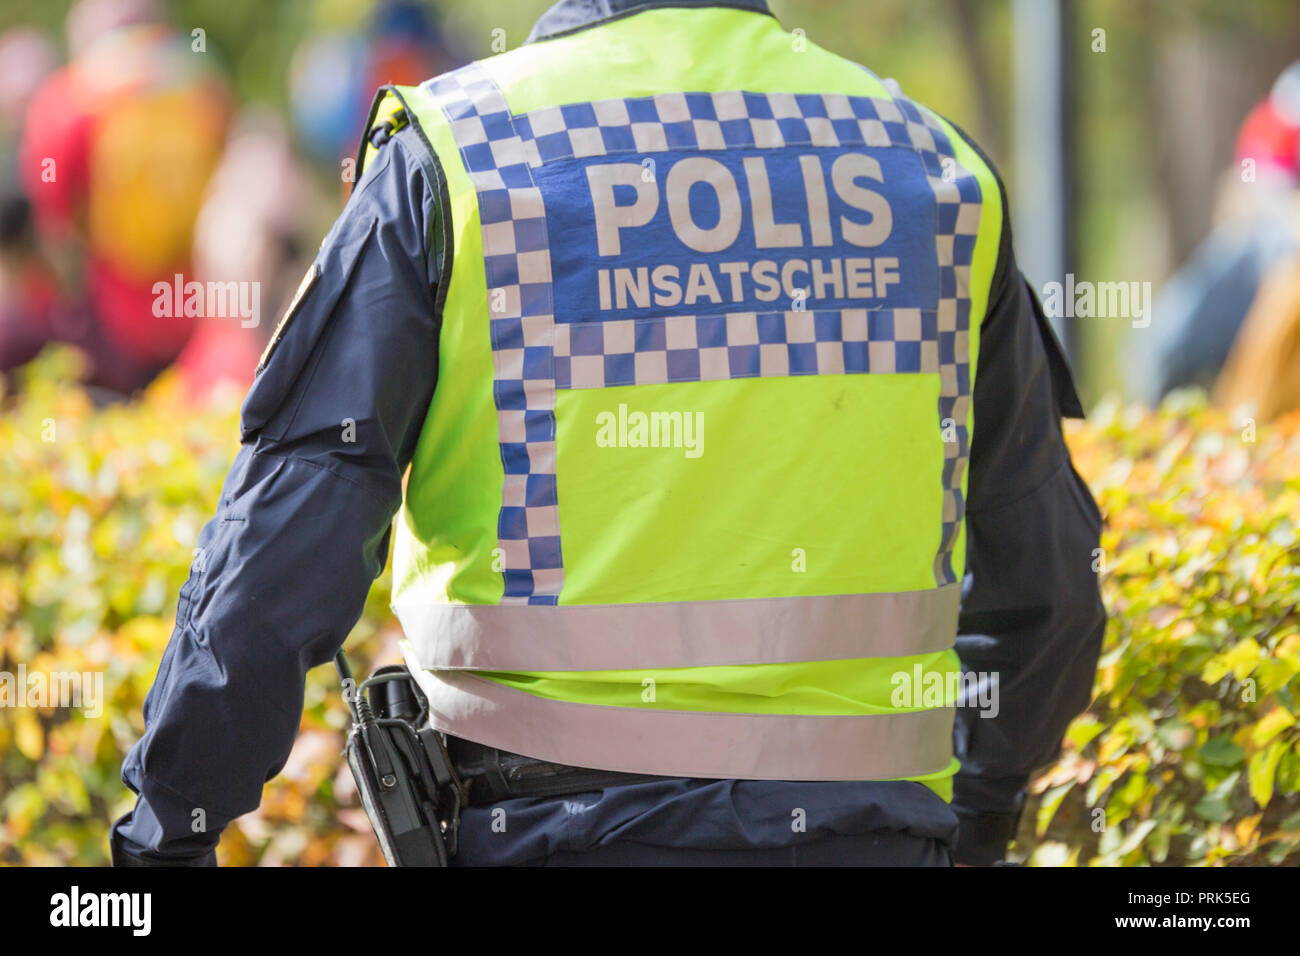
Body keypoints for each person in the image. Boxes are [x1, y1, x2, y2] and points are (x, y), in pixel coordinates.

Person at [112, 0, 1106, 867]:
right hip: (876, 833)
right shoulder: (930, 167)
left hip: (547, 833)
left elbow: (288, 538)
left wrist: (169, 828)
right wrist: (973, 819)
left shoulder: (464, 155)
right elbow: (1046, 589)